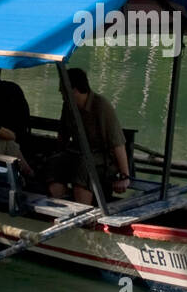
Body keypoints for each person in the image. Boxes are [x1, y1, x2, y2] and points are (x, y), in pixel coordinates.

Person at [47, 67, 131, 205]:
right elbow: (63, 135)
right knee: (56, 163)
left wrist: (124, 176)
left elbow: (118, 143)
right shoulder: (68, 106)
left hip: (103, 158)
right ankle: (60, 205)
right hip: (78, 153)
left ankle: (83, 210)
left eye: (62, 89)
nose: (60, 93)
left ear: (73, 90)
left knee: (83, 165)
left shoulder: (101, 106)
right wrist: (59, 154)